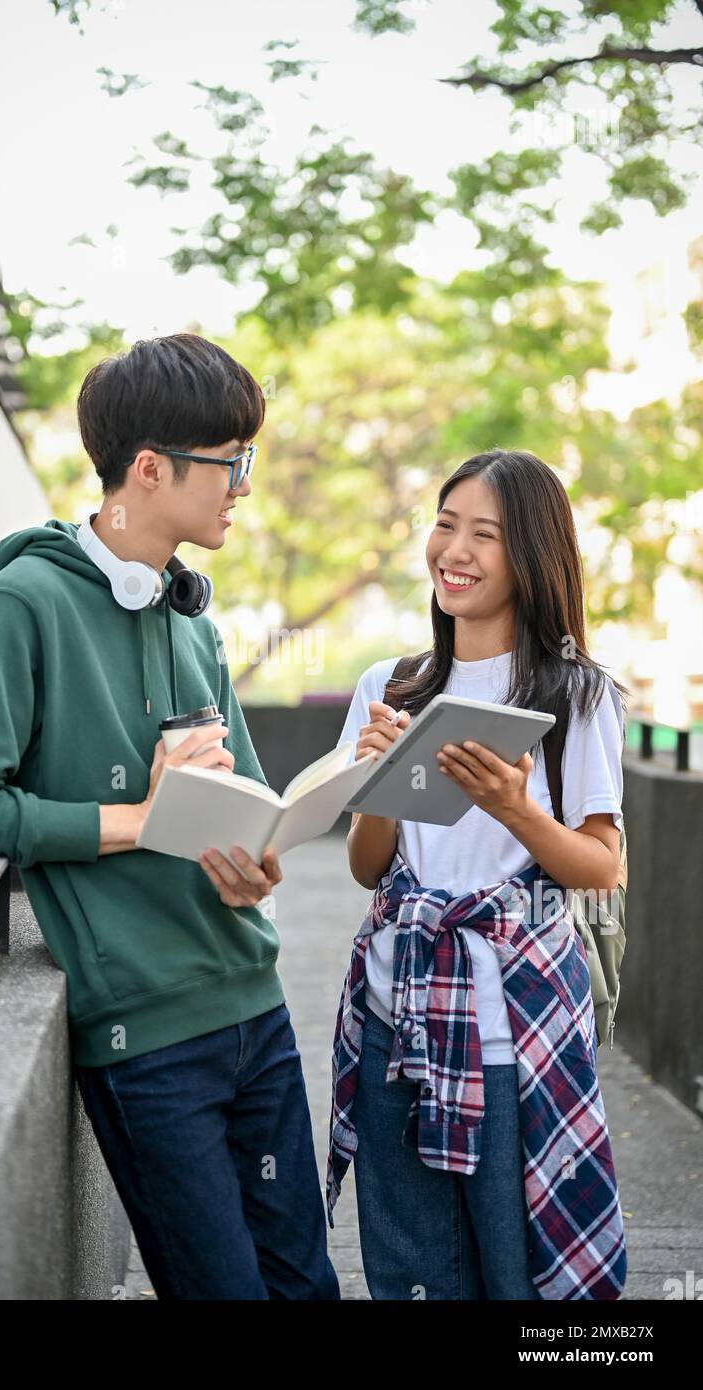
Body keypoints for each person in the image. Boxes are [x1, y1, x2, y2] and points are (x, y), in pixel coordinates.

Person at [0, 332, 339, 1302]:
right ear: (148, 469)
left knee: (307, 1289)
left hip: (254, 1004)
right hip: (147, 1036)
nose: (245, 487)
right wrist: (137, 818)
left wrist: (256, 860)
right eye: (232, 463)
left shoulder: (193, 619)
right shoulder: (21, 605)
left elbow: (250, 807)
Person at [328, 448, 630, 1301]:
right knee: (411, 1269)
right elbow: (367, 868)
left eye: (483, 535)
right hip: (397, 1018)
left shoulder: (575, 695)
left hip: (514, 1033)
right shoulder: (389, 685)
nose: (452, 551)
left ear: (530, 555)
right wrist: (377, 787)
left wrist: (515, 809)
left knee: (520, 1269)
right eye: (445, 524)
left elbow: (599, 868)